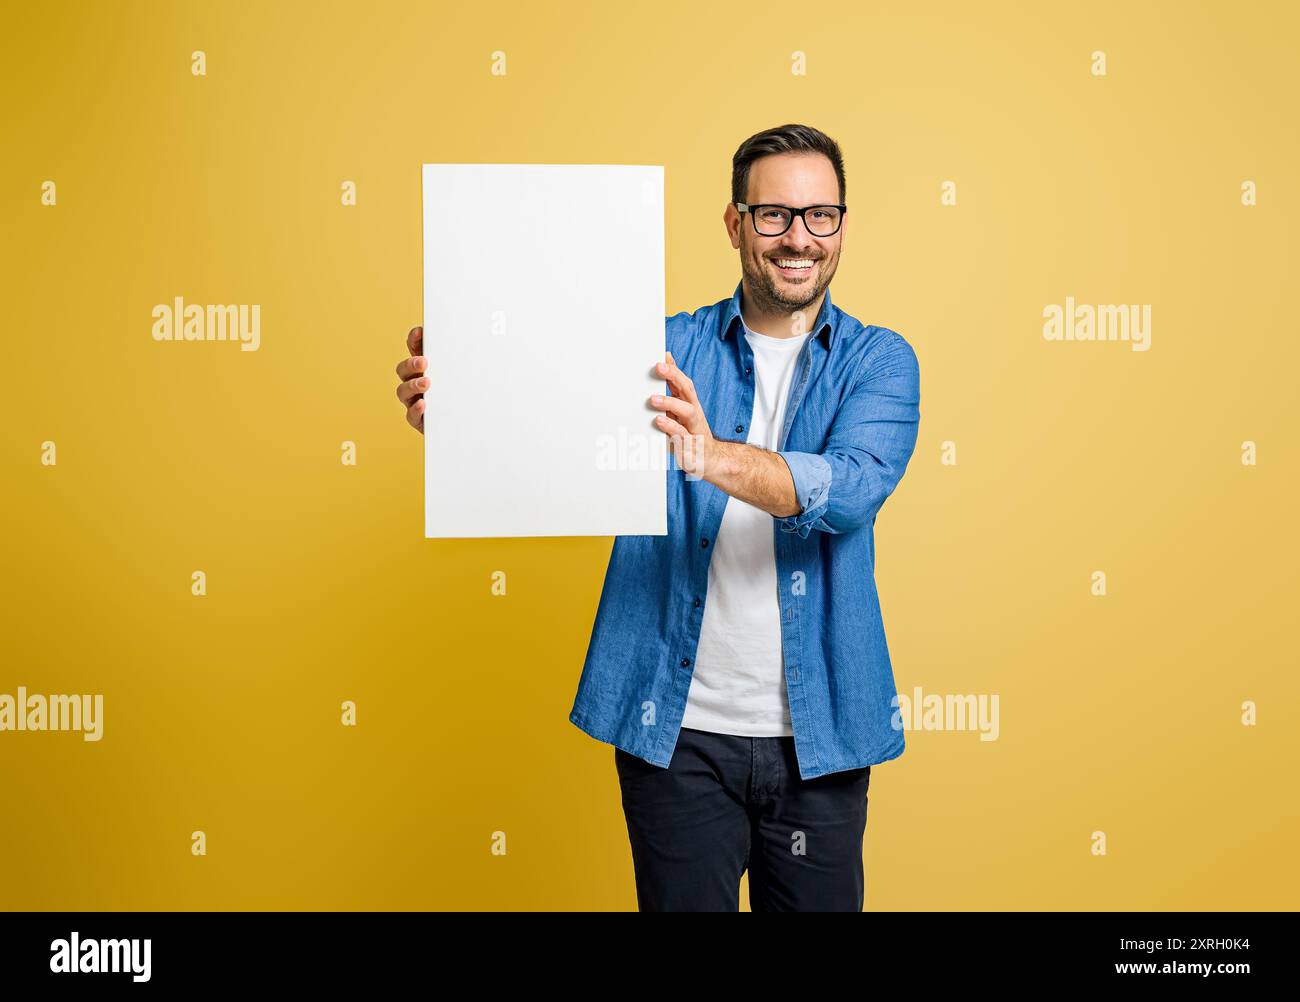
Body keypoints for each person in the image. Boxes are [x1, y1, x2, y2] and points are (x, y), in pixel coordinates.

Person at [396, 123, 920, 911]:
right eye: (774, 214)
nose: (799, 238)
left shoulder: (879, 361)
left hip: (823, 745)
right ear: (736, 222)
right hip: (676, 737)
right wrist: (462, 414)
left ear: (842, 223)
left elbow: (846, 492)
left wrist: (711, 457)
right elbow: (556, 425)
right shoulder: (663, 350)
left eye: (821, 215)